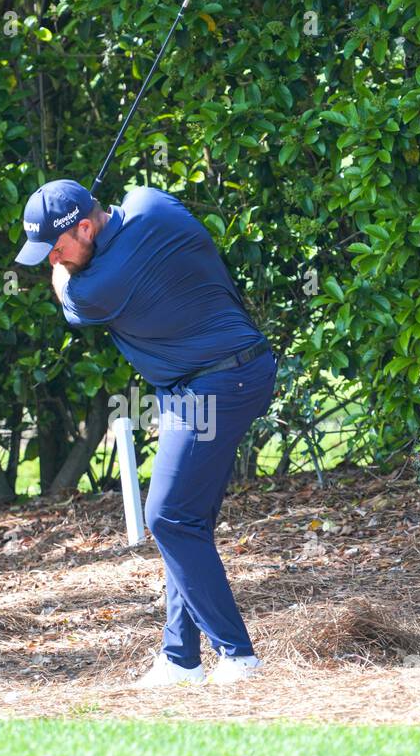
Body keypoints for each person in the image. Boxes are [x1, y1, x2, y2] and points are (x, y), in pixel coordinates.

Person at [14, 179, 277, 686]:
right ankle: (181, 658)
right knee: (185, 523)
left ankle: (237, 655)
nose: (54, 262)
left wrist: (67, 273)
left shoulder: (94, 286)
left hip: (218, 383)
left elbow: (67, 294)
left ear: (86, 228)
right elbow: (141, 217)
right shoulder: (150, 202)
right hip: (220, 375)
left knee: (169, 517)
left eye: (58, 249)